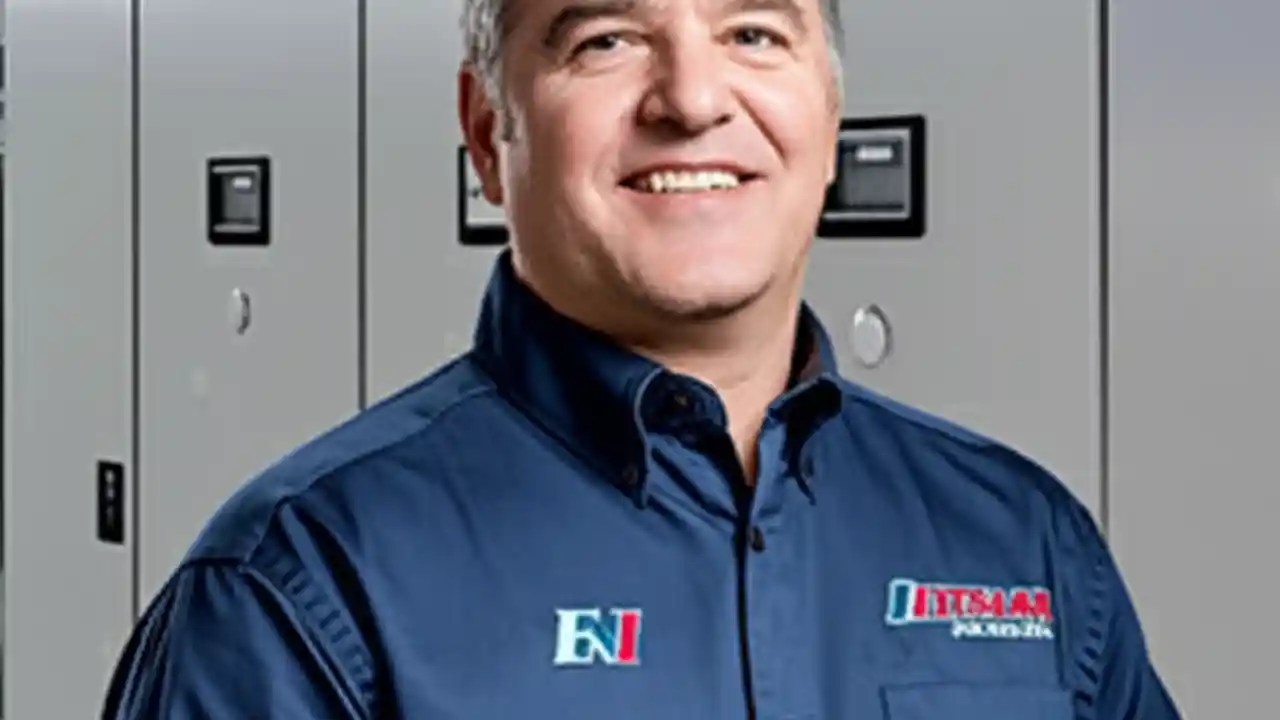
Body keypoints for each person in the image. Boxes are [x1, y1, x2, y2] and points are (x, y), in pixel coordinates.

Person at [103, 0, 1181, 717]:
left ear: (828, 115)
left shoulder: (1024, 543)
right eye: (606, 38)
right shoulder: (297, 587)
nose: (693, 99)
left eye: (754, 32)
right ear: (487, 134)